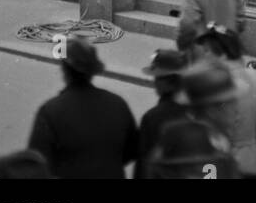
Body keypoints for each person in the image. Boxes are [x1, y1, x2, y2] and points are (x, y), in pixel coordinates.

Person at [28, 35, 139, 179]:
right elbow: (132, 150)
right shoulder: (118, 104)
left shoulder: (51, 111)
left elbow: (36, 163)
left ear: (65, 70)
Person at [201, 27, 256, 179]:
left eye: (207, 51)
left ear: (222, 53)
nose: (204, 57)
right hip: (252, 164)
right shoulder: (255, 78)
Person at [177, 60, 241, 179]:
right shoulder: (206, 156)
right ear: (212, 109)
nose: (237, 109)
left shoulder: (217, 142)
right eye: (231, 102)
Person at [135, 49, 189, 179]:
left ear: (168, 82)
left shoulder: (153, 118)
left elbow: (143, 167)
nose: (155, 82)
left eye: (158, 78)